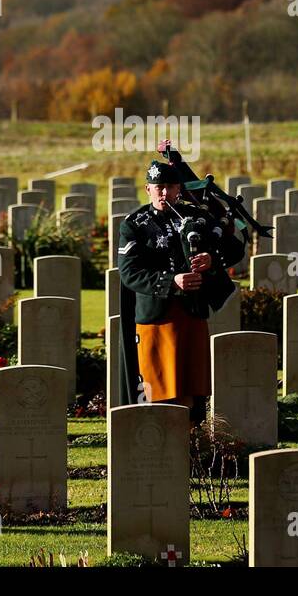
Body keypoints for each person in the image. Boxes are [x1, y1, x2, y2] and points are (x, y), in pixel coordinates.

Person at [116, 157, 246, 422]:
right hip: (156, 317)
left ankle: (189, 450)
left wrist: (212, 259)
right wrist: (171, 281)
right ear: (148, 189)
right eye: (158, 186)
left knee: (191, 389)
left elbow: (234, 249)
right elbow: (130, 273)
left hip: (192, 314)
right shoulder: (134, 224)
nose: (164, 192)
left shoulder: (196, 216)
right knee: (157, 391)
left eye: (171, 186)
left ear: (180, 189)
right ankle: (157, 448)